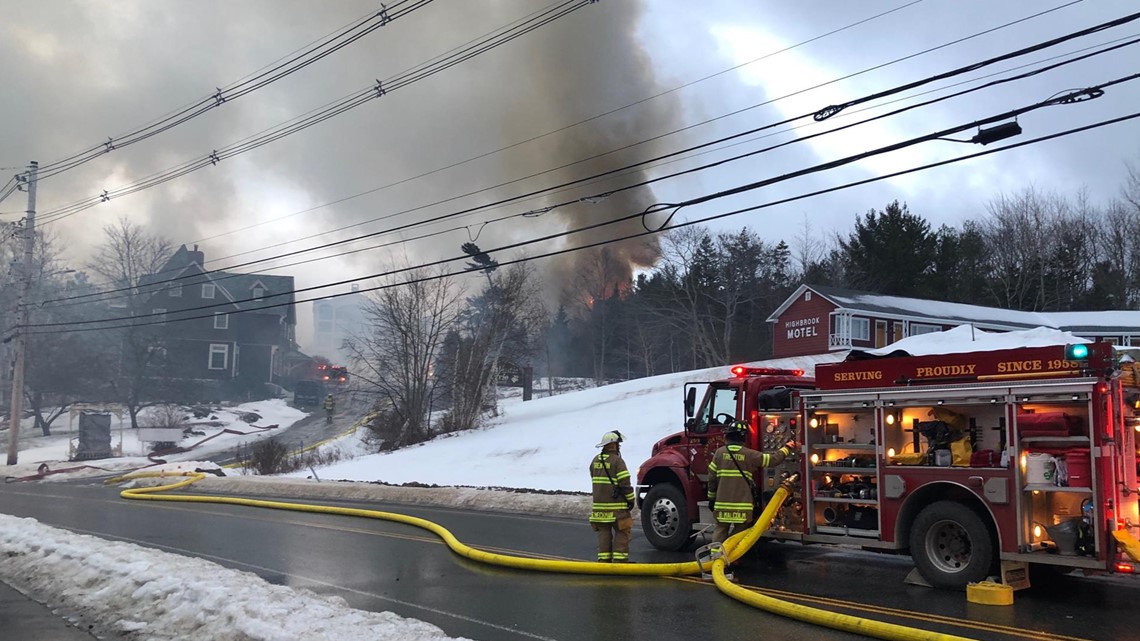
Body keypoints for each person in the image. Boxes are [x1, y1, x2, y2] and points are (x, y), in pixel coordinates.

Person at [707, 420, 795, 545]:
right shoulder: (749, 454)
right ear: (743, 437)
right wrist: (787, 448)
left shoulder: (719, 453)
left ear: (728, 435)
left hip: (722, 505)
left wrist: (711, 498)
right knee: (740, 533)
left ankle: (716, 558)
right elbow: (773, 460)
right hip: (742, 507)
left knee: (720, 530)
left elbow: (712, 478)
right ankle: (731, 554)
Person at [589, 430, 636, 563]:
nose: (619, 447)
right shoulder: (617, 461)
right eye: (618, 444)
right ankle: (620, 560)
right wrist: (630, 499)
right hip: (617, 507)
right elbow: (625, 483)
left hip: (599, 508)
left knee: (604, 532)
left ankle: (604, 560)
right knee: (623, 530)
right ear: (614, 445)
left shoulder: (595, 461)